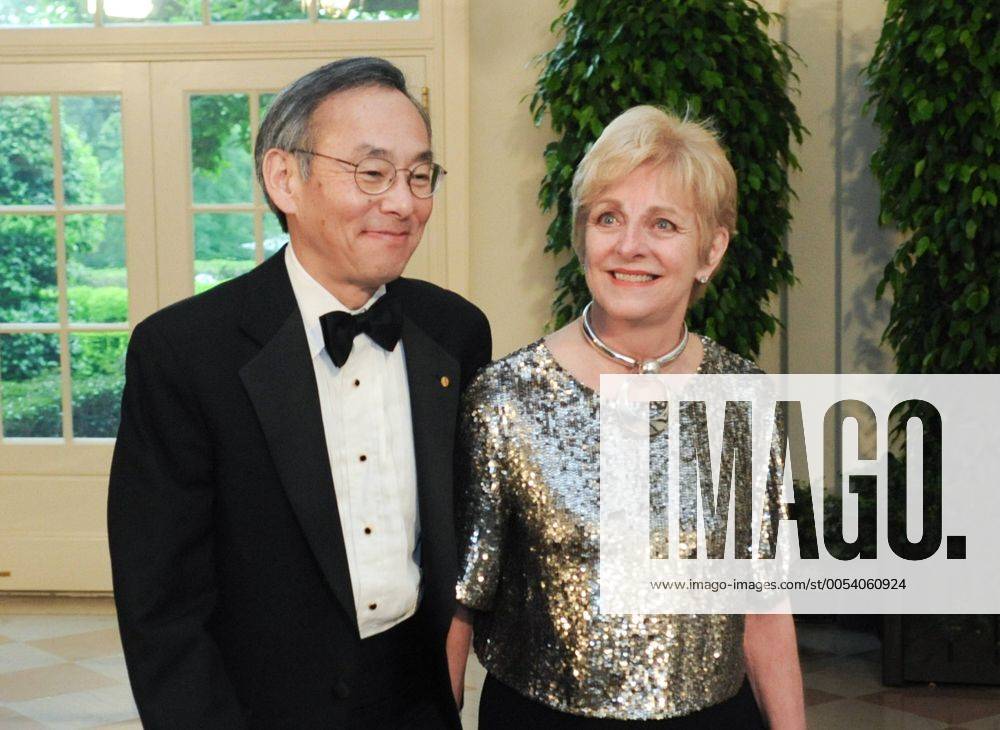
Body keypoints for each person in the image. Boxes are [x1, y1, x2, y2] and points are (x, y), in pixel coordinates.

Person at [108, 57, 491, 730]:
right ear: (285, 178)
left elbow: (465, 524)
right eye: (371, 172)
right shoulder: (184, 353)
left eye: (419, 175)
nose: (403, 203)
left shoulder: (455, 331)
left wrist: (454, 649)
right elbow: (161, 607)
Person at [446, 105, 805, 728]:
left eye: (663, 223)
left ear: (710, 251)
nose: (629, 245)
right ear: (582, 235)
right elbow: (462, 602)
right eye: (608, 217)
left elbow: (764, 604)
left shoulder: (744, 396)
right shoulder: (504, 398)